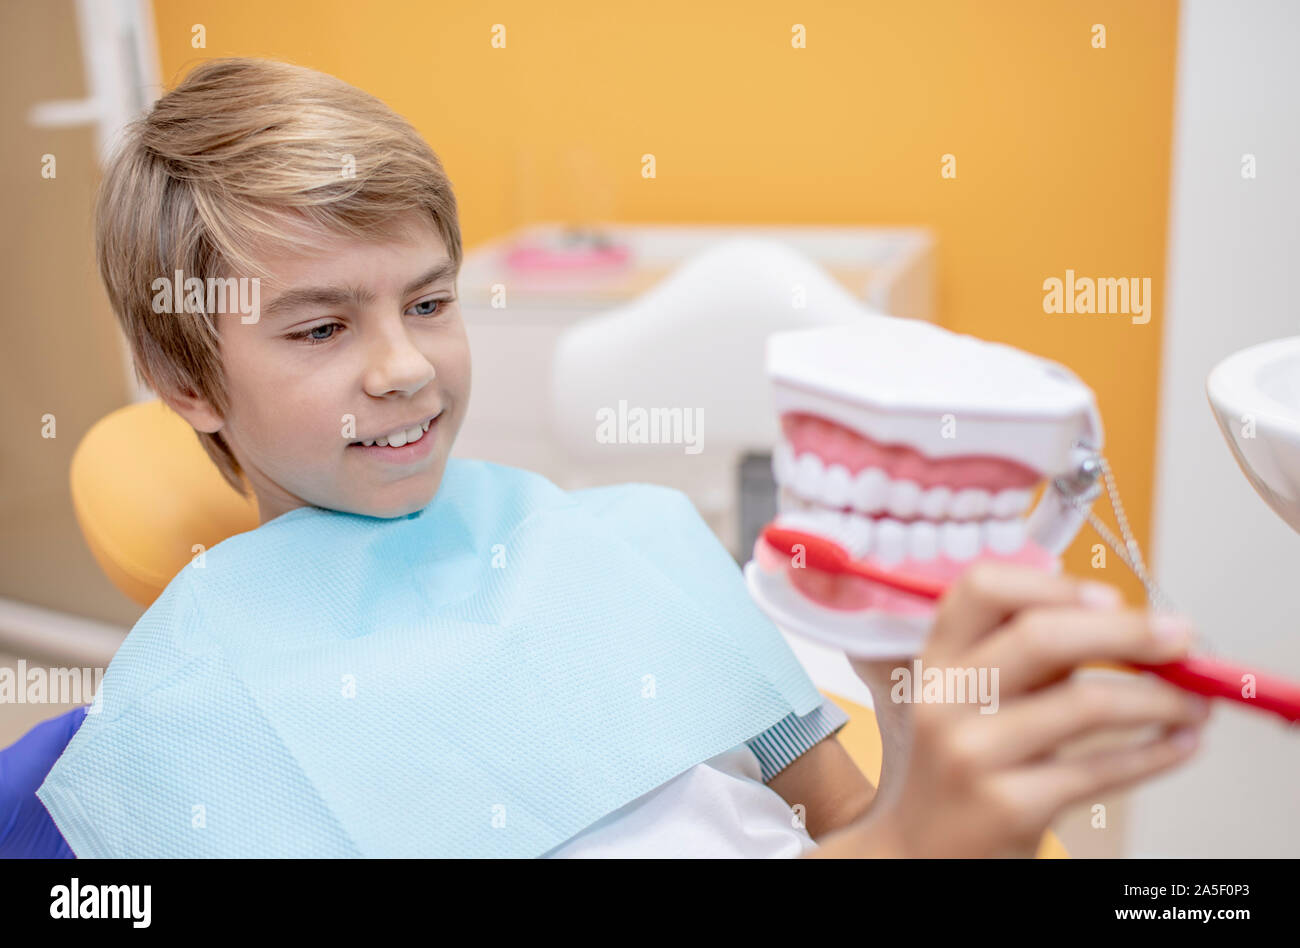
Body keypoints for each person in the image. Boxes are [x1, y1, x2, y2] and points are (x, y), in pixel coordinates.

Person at [13, 57, 1211, 858]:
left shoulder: (635, 552)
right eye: (322, 328)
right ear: (182, 383)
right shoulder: (198, 723)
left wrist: (911, 731)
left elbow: (840, 820)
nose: (403, 369)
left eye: (428, 304)